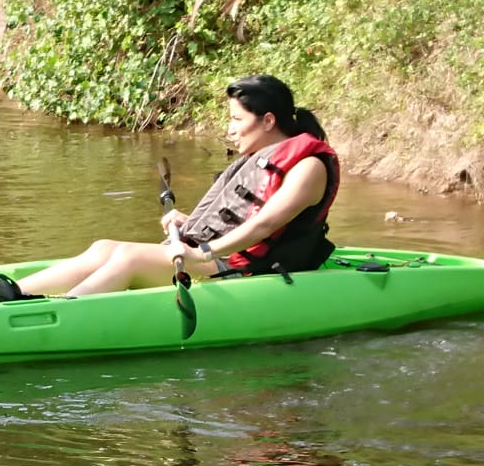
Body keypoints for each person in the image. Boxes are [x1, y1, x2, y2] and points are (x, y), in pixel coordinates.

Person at [22, 74, 339, 298]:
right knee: (104, 247)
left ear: (268, 121)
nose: (229, 130)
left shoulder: (308, 168)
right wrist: (190, 224)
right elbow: (248, 219)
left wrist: (202, 251)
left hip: (251, 269)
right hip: (222, 254)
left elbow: (265, 224)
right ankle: (6, 294)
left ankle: (64, 313)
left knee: (129, 259)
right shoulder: (261, 158)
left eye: (237, 120)